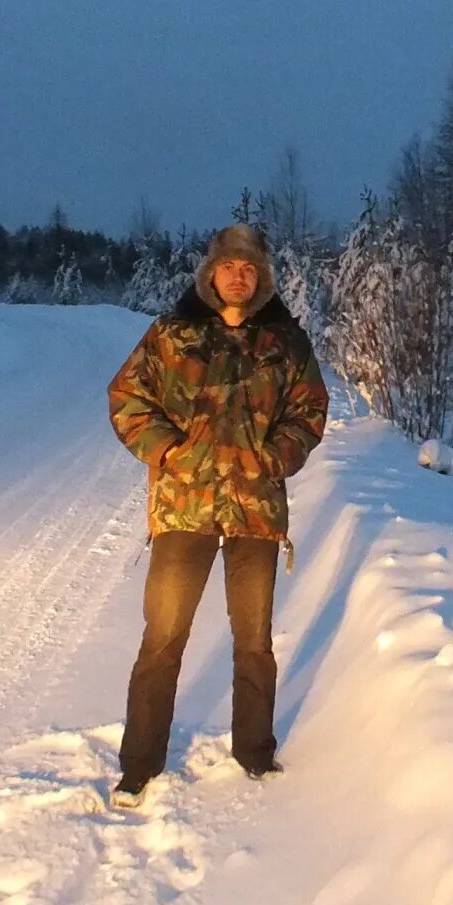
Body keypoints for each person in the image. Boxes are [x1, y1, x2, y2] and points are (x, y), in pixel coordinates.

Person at [104, 223, 327, 808]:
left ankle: (254, 752)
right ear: (211, 273)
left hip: (255, 511)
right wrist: (167, 451)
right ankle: (139, 765)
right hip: (183, 510)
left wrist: (279, 455)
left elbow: (310, 412)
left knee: (253, 640)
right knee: (163, 638)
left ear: (261, 278)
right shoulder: (173, 335)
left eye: (250, 268)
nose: (239, 276)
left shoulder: (284, 343)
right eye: (229, 266)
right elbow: (126, 398)